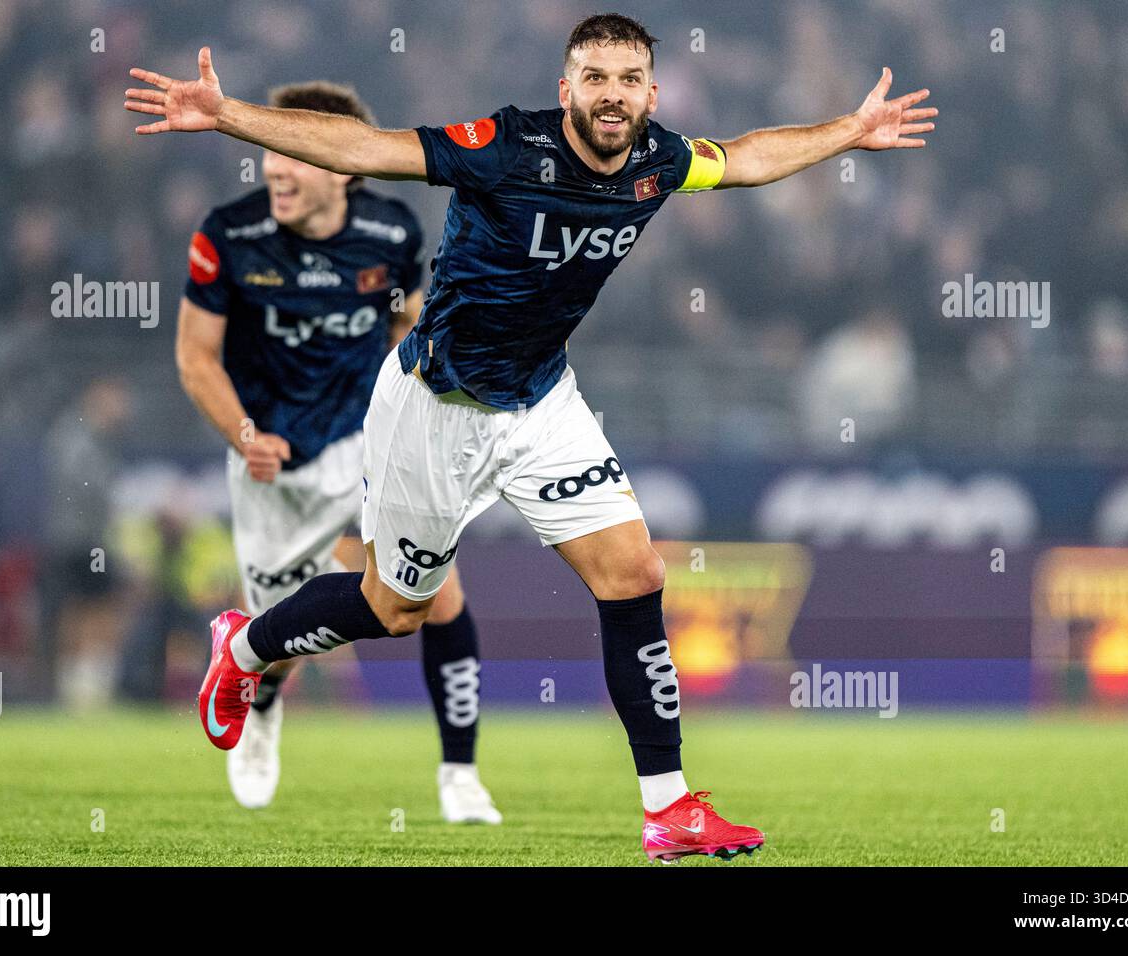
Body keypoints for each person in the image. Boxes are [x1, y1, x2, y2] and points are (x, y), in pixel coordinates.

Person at [126, 12, 936, 862]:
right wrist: (228, 115)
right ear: (567, 89)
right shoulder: (507, 148)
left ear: (651, 93)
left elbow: (747, 159)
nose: (613, 96)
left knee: (636, 574)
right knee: (393, 608)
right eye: (595, 78)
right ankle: (245, 643)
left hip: (542, 401)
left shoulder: (661, 160)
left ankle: (669, 809)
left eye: (629, 80)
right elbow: (371, 150)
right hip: (435, 404)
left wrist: (850, 131)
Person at [174, 81, 501, 823]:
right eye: (270, 154)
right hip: (272, 463)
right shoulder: (228, 234)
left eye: (295, 154)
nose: (277, 170)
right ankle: (261, 710)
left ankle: (459, 774)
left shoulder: (391, 235)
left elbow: (404, 323)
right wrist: (243, 433)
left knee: (433, 594)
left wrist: (433, 398)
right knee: (276, 643)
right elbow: (196, 357)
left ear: (345, 166)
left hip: (364, 446)